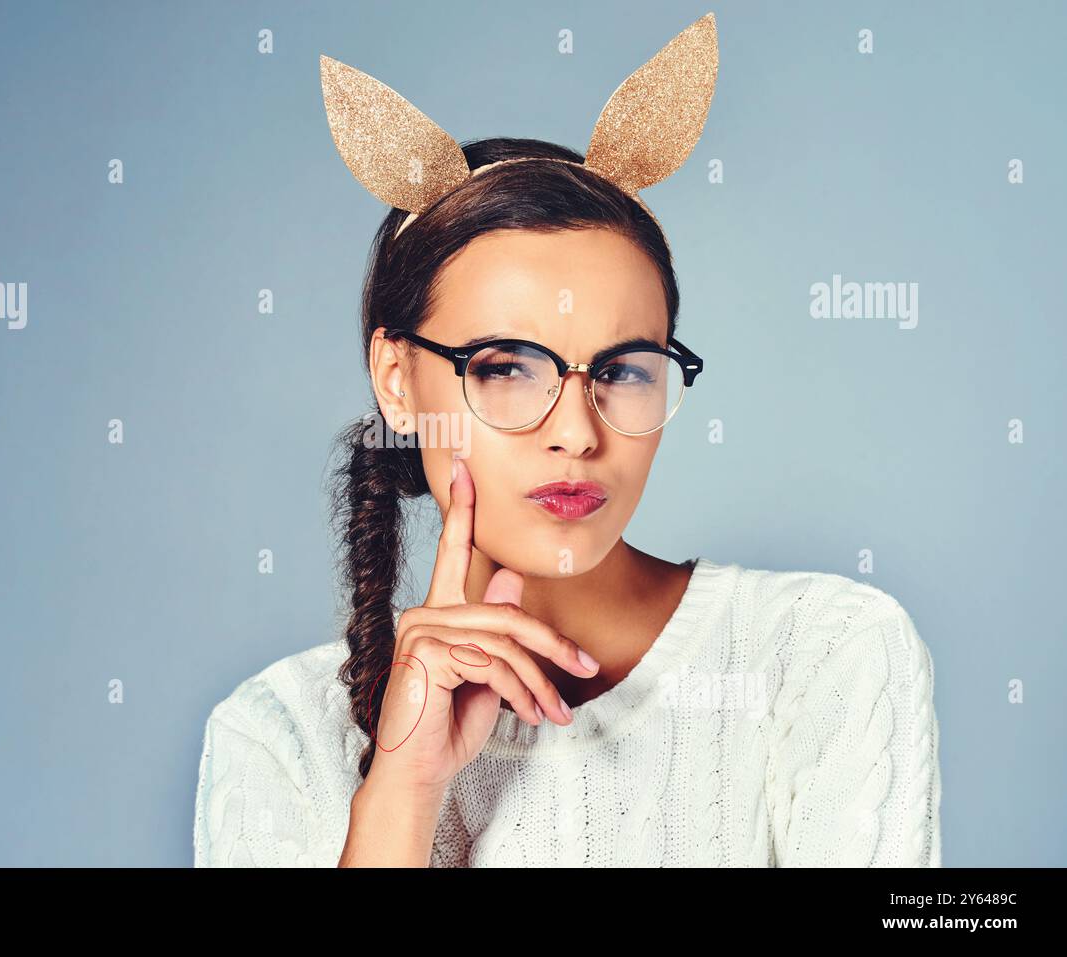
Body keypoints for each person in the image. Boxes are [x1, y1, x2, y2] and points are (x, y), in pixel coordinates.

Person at [194, 14, 941, 867]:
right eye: (508, 367)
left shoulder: (825, 655)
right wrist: (400, 795)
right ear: (397, 380)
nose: (579, 434)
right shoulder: (278, 736)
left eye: (623, 370)